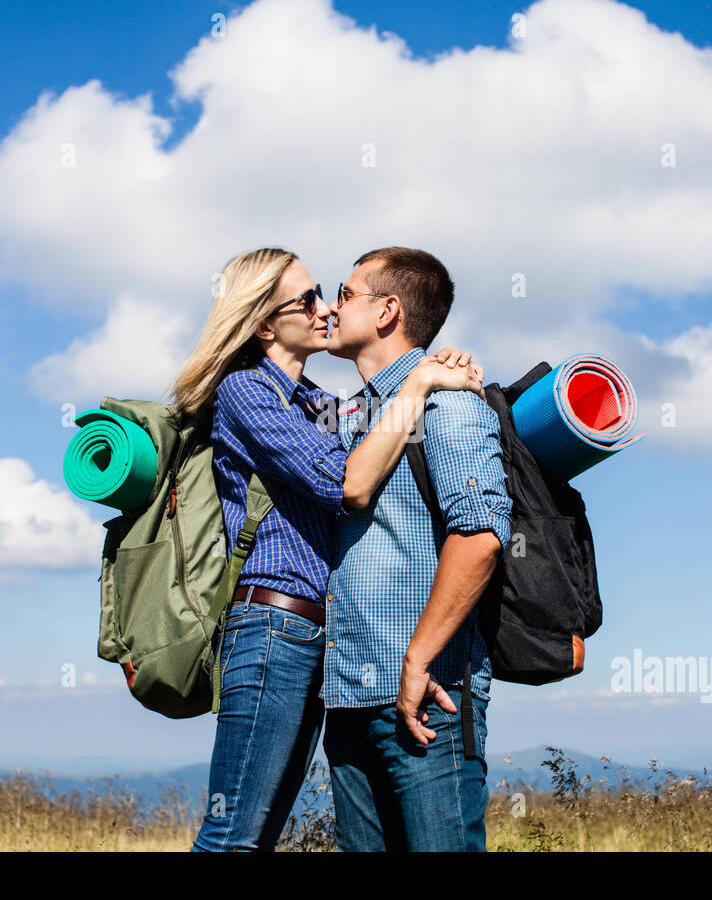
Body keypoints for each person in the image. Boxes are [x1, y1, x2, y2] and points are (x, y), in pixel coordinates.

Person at [170, 246, 484, 851]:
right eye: (308, 299)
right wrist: (418, 380)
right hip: (272, 629)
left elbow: (375, 440)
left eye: (329, 294)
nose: (324, 309)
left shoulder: (320, 402)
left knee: (257, 837)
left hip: (320, 643)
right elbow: (351, 484)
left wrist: (432, 363)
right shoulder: (246, 393)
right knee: (233, 836)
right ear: (263, 323)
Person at [321, 246, 512, 851]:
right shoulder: (350, 417)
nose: (329, 307)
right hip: (349, 698)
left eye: (346, 294)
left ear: (388, 311)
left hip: (427, 698)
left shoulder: (449, 403)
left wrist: (417, 660)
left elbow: (479, 536)